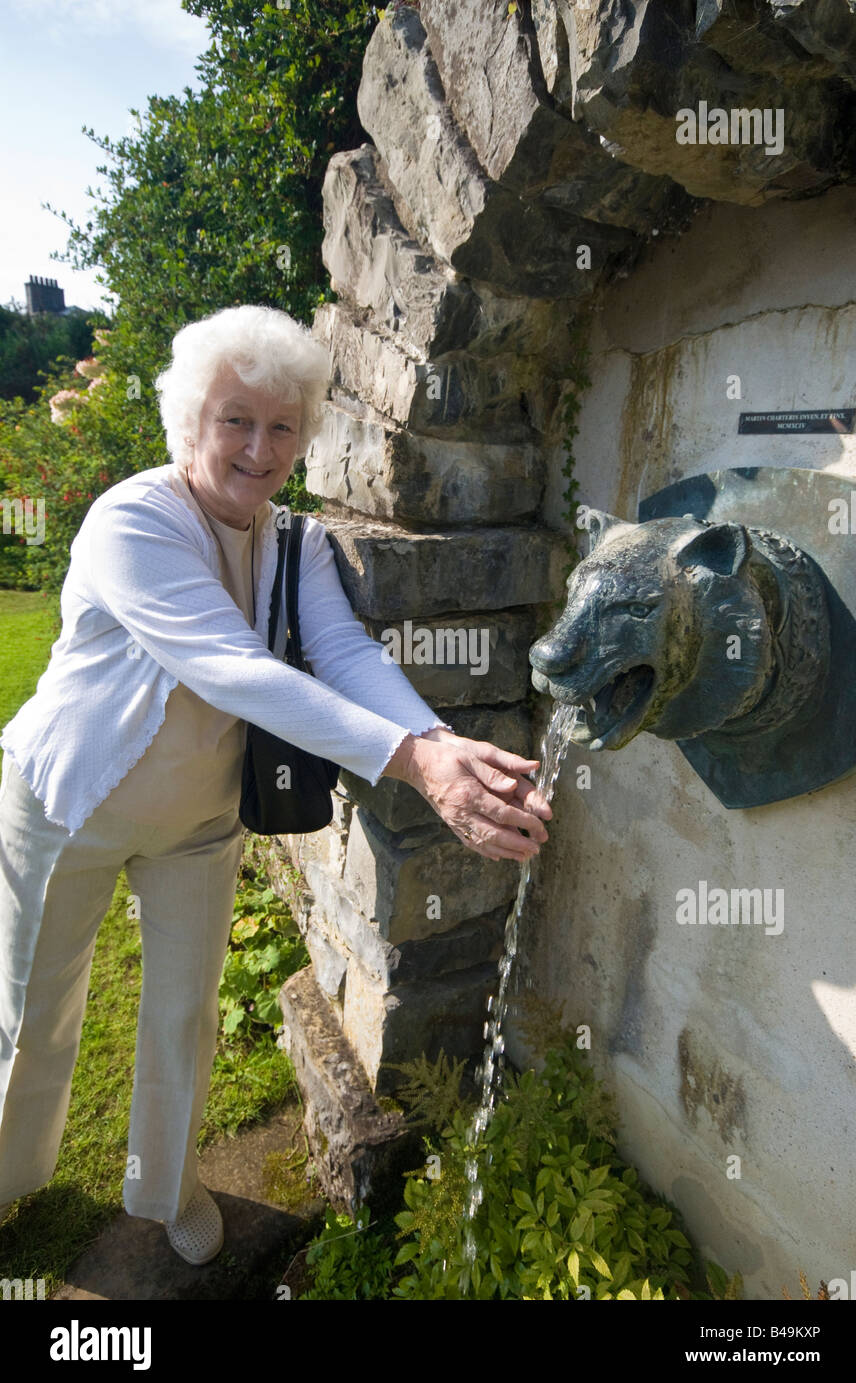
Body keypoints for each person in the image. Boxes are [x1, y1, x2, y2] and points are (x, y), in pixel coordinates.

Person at [0, 304, 552, 1265]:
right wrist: (414, 764)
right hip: (68, 805)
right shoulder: (133, 520)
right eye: (235, 420)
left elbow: (340, 649)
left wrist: (433, 739)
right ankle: (7, 1180)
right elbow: (231, 668)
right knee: (31, 1013)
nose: (259, 447)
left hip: (198, 823)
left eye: (282, 424)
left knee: (184, 1013)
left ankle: (167, 1190)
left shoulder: (290, 539)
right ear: (189, 422)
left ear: (304, 433)